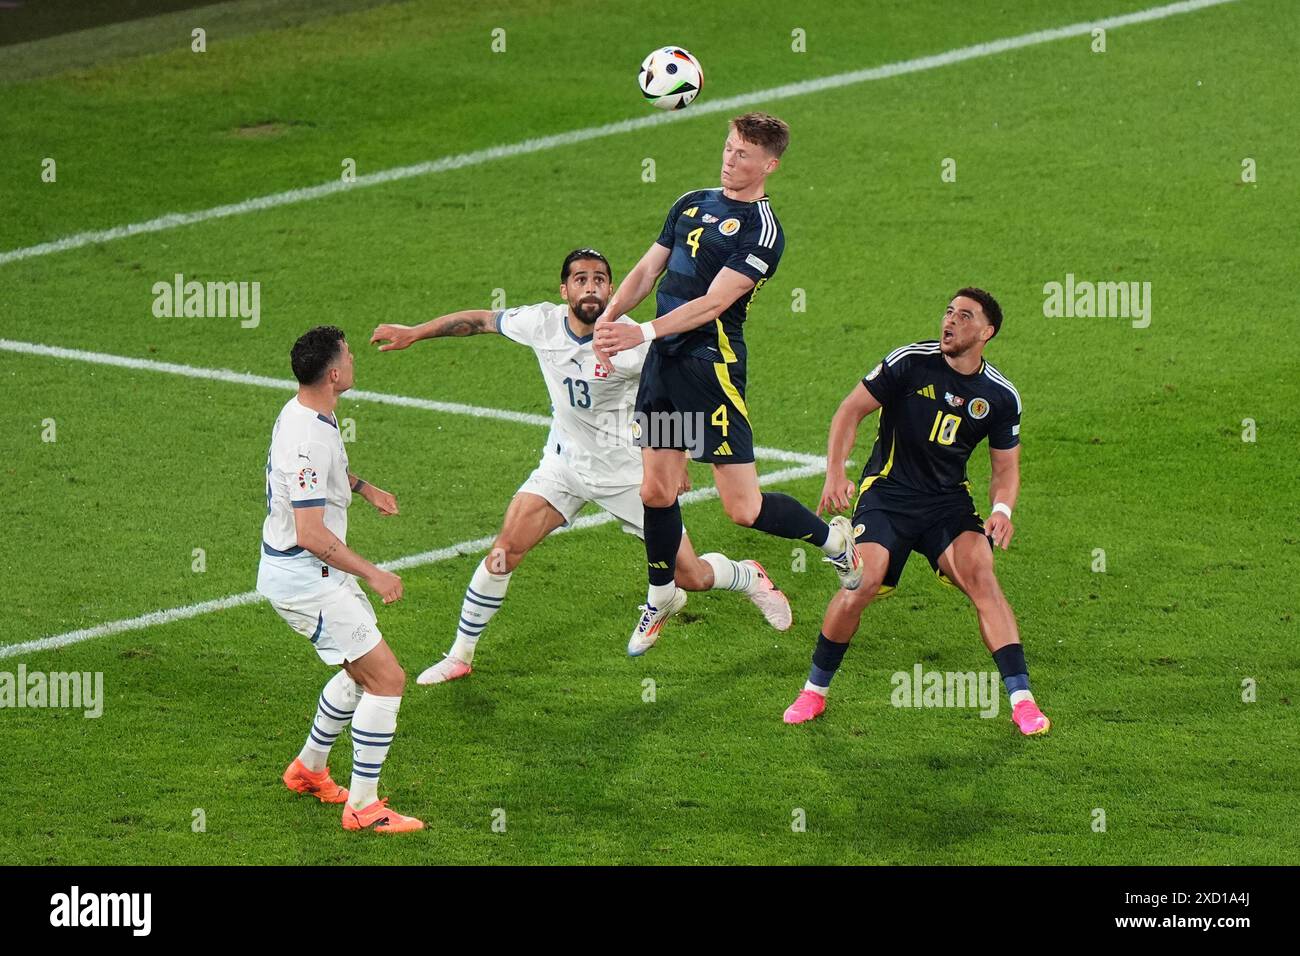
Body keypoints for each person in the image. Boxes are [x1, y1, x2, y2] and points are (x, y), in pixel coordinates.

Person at [370, 248, 791, 680]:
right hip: (564, 467)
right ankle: (460, 655)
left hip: (629, 476)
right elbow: (480, 321)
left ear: (612, 289)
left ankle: (747, 575)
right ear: (565, 289)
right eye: (581, 279)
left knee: (691, 577)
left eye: (600, 280)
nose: (591, 288)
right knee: (502, 553)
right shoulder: (542, 323)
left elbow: (670, 394)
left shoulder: (631, 341)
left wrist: (676, 461)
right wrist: (415, 332)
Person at [594, 112, 862, 652]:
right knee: (654, 489)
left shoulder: (764, 231)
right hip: (663, 366)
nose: (729, 159)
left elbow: (714, 302)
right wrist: (609, 318)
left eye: (743, 154)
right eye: (728, 147)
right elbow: (649, 270)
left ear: (770, 164)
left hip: (709, 368)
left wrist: (640, 331)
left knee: (743, 509)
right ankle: (661, 593)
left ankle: (833, 539)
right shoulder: (690, 202)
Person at [782, 289, 1051, 736]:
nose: (949, 321)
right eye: (948, 312)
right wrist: (834, 473)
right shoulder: (910, 362)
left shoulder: (1000, 396)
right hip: (888, 494)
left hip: (947, 501)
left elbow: (1005, 468)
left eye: (964, 317)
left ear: (987, 333)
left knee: (983, 575)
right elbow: (850, 412)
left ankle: (1022, 701)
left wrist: (1001, 509)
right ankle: (814, 691)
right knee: (861, 582)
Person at [258, 325, 424, 832]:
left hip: (309, 572)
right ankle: (364, 808)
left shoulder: (308, 412)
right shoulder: (307, 437)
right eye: (349, 357)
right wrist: (373, 573)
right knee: (386, 679)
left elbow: (325, 476)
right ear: (334, 374)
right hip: (307, 577)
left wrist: (364, 488)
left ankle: (308, 769)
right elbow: (310, 532)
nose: (354, 362)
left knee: (359, 673)